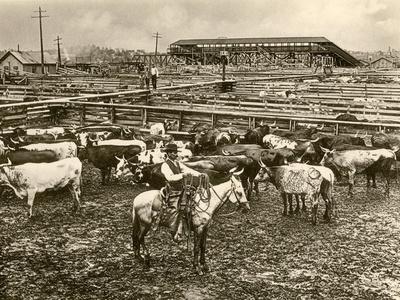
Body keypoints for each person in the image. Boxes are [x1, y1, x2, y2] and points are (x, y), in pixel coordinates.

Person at [160, 143, 200, 241]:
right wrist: (182, 175)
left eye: (176, 153)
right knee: (177, 209)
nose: (176, 155)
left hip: (181, 188)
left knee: (192, 203)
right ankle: (175, 231)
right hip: (172, 190)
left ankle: (189, 225)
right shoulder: (165, 165)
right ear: (168, 153)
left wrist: (200, 174)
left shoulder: (177, 163)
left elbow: (188, 170)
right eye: (173, 153)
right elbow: (170, 178)